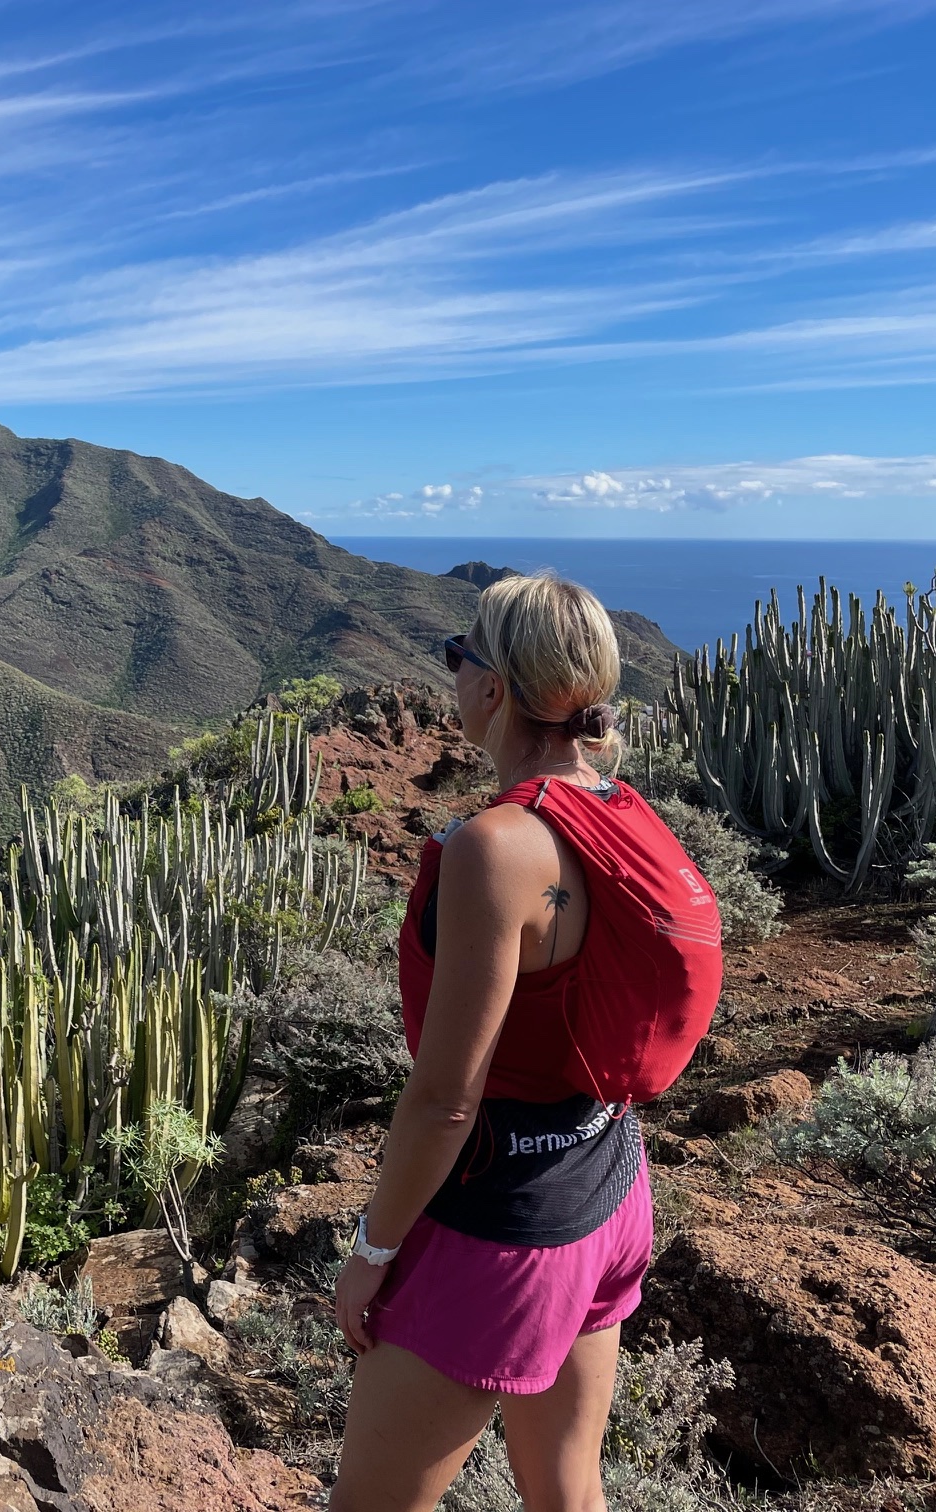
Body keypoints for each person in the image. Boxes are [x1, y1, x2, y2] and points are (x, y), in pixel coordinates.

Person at [330, 573, 694, 1512]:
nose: (451, 672)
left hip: (503, 1230)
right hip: (608, 1187)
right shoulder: (615, 807)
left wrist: (372, 1251)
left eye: (459, 655)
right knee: (568, 1493)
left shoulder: (496, 848)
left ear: (492, 688)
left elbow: (446, 1100)